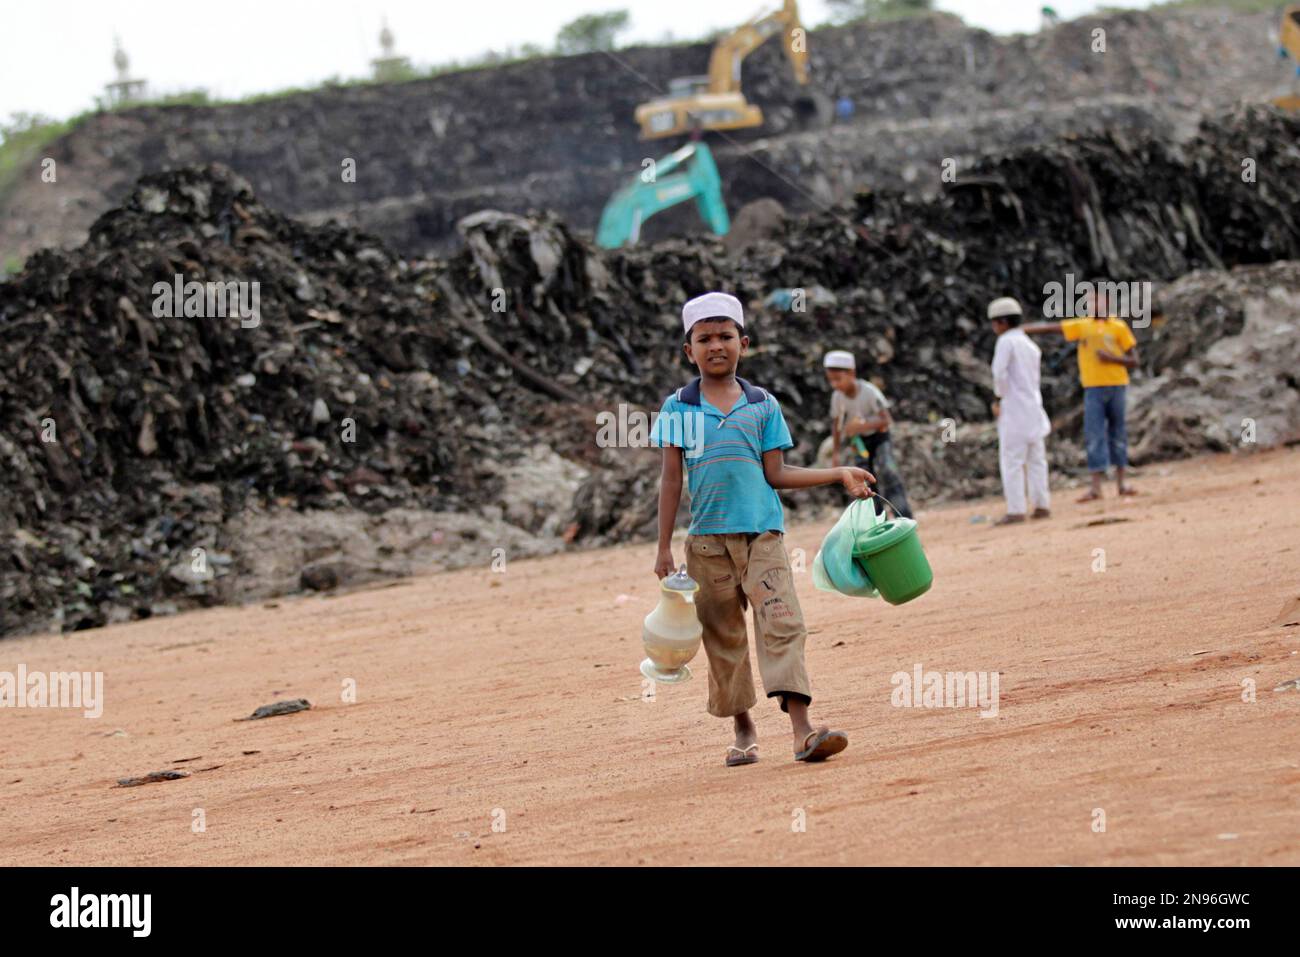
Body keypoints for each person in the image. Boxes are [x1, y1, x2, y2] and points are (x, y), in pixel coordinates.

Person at [651, 292, 872, 767]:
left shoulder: (762, 405)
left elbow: (778, 475)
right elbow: (671, 479)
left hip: (763, 538)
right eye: (704, 338)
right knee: (723, 635)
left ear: (743, 343)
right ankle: (743, 728)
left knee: (783, 623)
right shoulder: (679, 408)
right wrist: (663, 547)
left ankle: (802, 731)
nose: (716, 346)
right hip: (705, 545)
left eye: (725, 336)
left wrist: (838, 474)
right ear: (688, 351)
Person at [1023, 289, 1140, 501]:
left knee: (1118, 435)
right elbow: (1052, 328)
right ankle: (1096, 487)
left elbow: (1134, 360)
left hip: (1117, 385)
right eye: (1089, 301)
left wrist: (1111, 359)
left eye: (1097, 300)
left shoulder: (1118, 327)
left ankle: (1122, 483)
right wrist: (1021, 329)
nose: (1093, 305)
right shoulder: (1083, 326)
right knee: (1094, 436)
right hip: (1093, 387)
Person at [818, 350, 914, 519]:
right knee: (863, 479)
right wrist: (836, 452)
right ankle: (878, 520)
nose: (834, 385)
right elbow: (837, 425)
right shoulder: (837, 397)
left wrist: (861, 427)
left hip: (879, 437)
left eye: (838, 379)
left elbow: (886, 421)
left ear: (852, 373)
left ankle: (904, 516)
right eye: (831, 380)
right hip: (859, 442)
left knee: (887, 471)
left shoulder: (869, 392)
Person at [987, 297, 1051, 525]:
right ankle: (1042, 504)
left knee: (1012, 461)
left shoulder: (1006, 342)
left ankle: (1016, 510)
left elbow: (1000, 374)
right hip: (1033, 406)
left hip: (1014, 409)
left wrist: (998, 398)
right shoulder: (1028, 344)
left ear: (1002, 322)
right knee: (1036, 459)